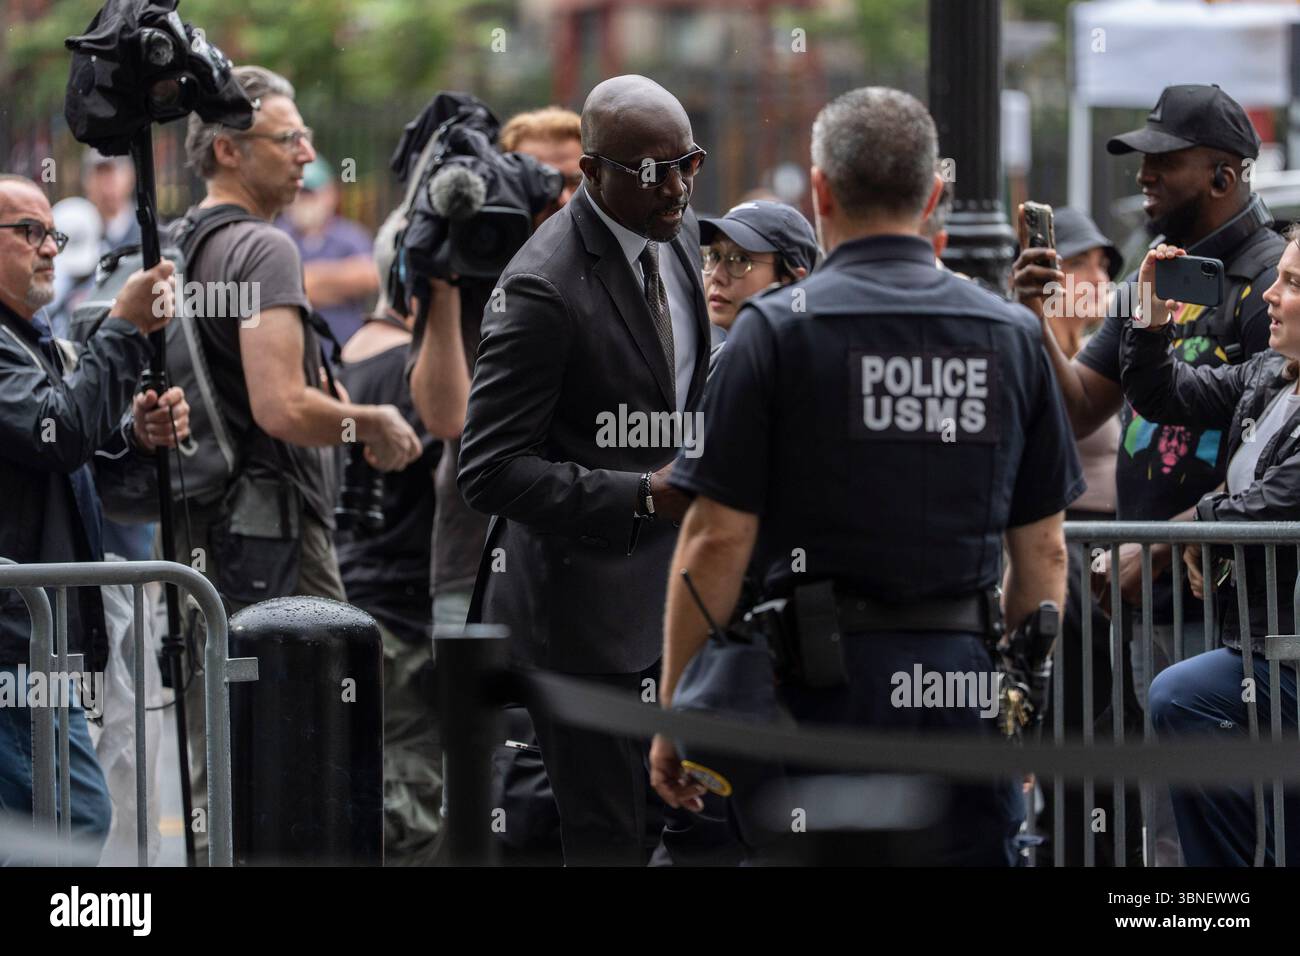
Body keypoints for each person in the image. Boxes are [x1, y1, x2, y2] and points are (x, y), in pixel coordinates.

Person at [649, 87, 1083, 865]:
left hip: (815, 688)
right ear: (936, 194)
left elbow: (715, 540)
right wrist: (1020, 701)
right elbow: (1045, 554)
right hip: (960, 685)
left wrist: (679, 705)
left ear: (820, 190)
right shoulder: (1013, 335)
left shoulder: (774, 332)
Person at [1012, 83, 1284, 864]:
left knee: (1228, 824)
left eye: (1165, 161)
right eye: (1142, 160)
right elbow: (1078, 410)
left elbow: (1280, 453)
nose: (1145, 176)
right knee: (1167, 823)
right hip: (1145, 600)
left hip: (1230, 601)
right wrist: (1032, 318)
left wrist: (1160, 545)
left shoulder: (1274, 284)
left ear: (1223, 175)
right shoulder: (1153, 273)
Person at [457, 74, 711, 865]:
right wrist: (641, 497)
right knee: (609, 843)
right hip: (582, 626)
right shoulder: (541, 286)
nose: (673, 186)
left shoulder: (682, 232)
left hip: (679, 607)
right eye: (650, 170)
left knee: (686, 826)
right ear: (593, 172)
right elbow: (490, 469)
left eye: (687, 163)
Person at [176, 65, 421, 860]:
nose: (309, 155)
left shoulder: (184, 245)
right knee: (312, 749)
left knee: (222, 751)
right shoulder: (262, 248)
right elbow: (282, 406)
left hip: (199, 537)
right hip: (272, 541)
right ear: (227, 150)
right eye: (289, 139)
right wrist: (369, 421)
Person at [0, 173, 183, 862]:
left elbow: (75, 468)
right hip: (13, 645)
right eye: (28, 232)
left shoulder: (29, 339)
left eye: (53, 233)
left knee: (52, 821)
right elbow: (61, 430)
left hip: (38, 642)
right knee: (71, 821)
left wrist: (136, 436)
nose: (49, 248)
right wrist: (127, 327)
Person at [1121, 234, 1300, 866]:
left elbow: (1281, 498)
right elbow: (1162, 394)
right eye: (1277, 277)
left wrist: (1200, 522)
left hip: (1285, 653)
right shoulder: (1266, 375)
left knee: (1179, 698)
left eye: (1294, 284)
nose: (1272, 296)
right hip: (1251, 642)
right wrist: (1147, 312)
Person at [335, 232, 442, 865]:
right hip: (404, 618)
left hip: (353, 600)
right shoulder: (422, 375)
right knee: (408, 807)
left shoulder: (340, 362)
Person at [276, 156, 379, 346]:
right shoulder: (276, 235)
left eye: (310, 194)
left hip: (344, 354)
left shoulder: (351, 235)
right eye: (300, 193)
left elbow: (370, 276)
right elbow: (269, 285)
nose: (304, 201)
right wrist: (338, 282)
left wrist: (302, 283)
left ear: (330, 194)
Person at [700, 199, 817, 334]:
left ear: (794, 282)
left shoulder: (809, 354)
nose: (716, 275)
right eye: (714, 255)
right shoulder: (716, 353)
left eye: (740, 259)